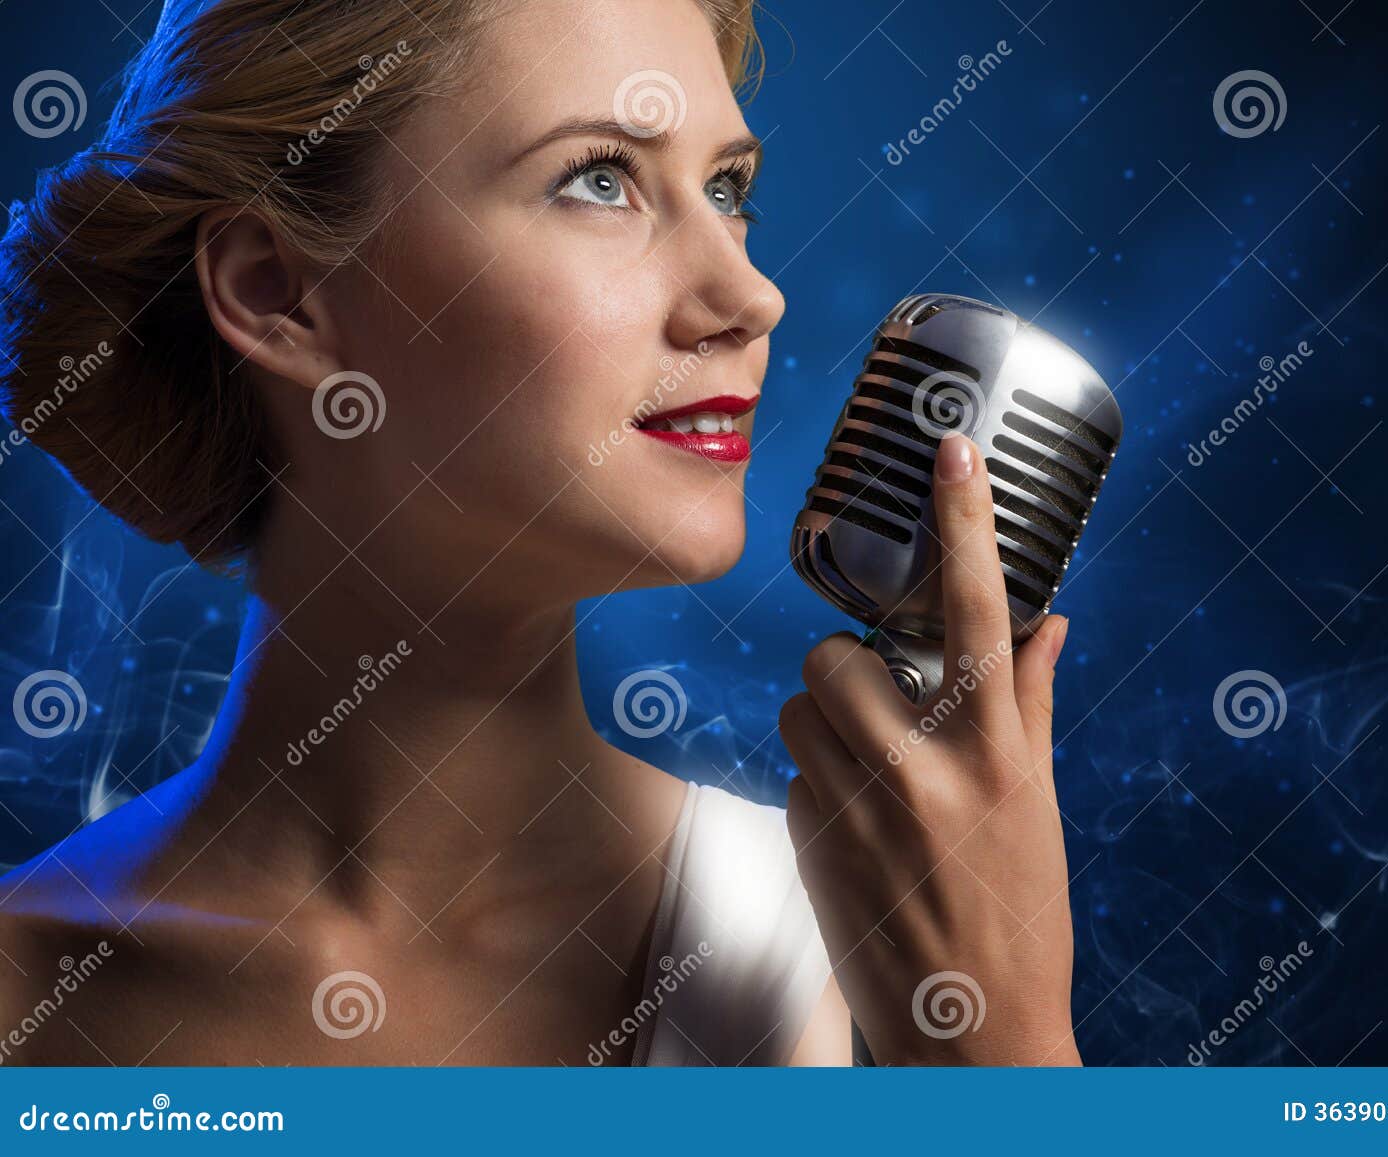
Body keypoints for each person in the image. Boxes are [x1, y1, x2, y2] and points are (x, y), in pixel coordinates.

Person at [0, 0, 1081, 1066]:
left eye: (725, 189)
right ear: (274, 290)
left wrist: (1003, 1043)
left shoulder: (831, 939)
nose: (750, 295)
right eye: (599, 180)